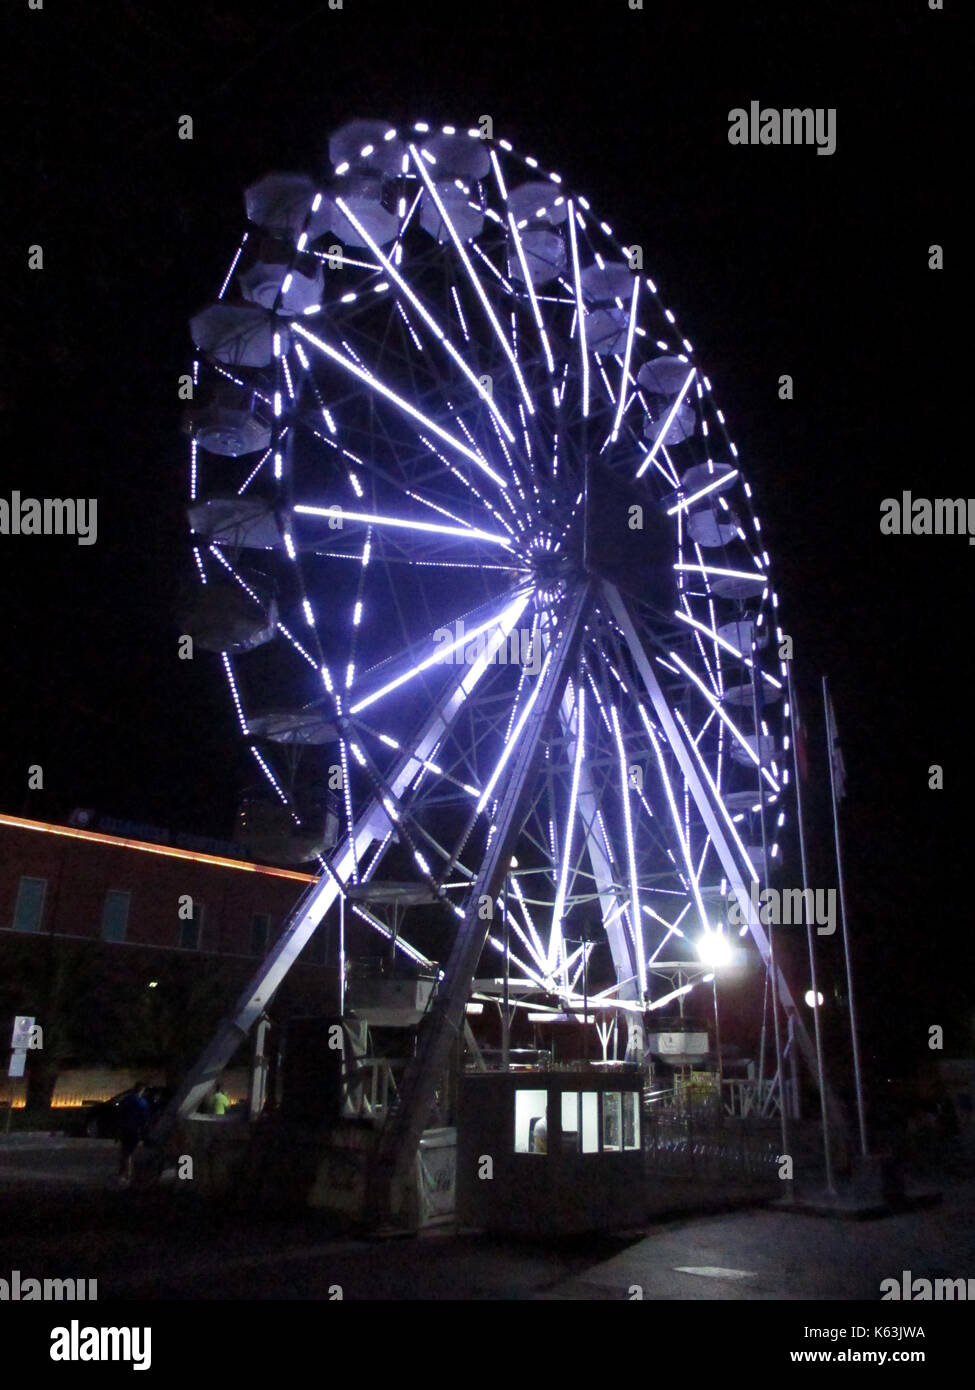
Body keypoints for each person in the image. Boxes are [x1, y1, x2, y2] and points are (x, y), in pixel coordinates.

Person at [117, 1082, 151, 1184]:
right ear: (142, 1090)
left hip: (125, 1129)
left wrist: (118, 1129)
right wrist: (145, 1130)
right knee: (129, 1153)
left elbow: (120, 1114)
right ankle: (128, 1175)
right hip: (135, 1130)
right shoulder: (142, 1102)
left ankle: (124, 1174)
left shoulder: (126, 1100)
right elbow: (145, 1118)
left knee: (125, 1152)